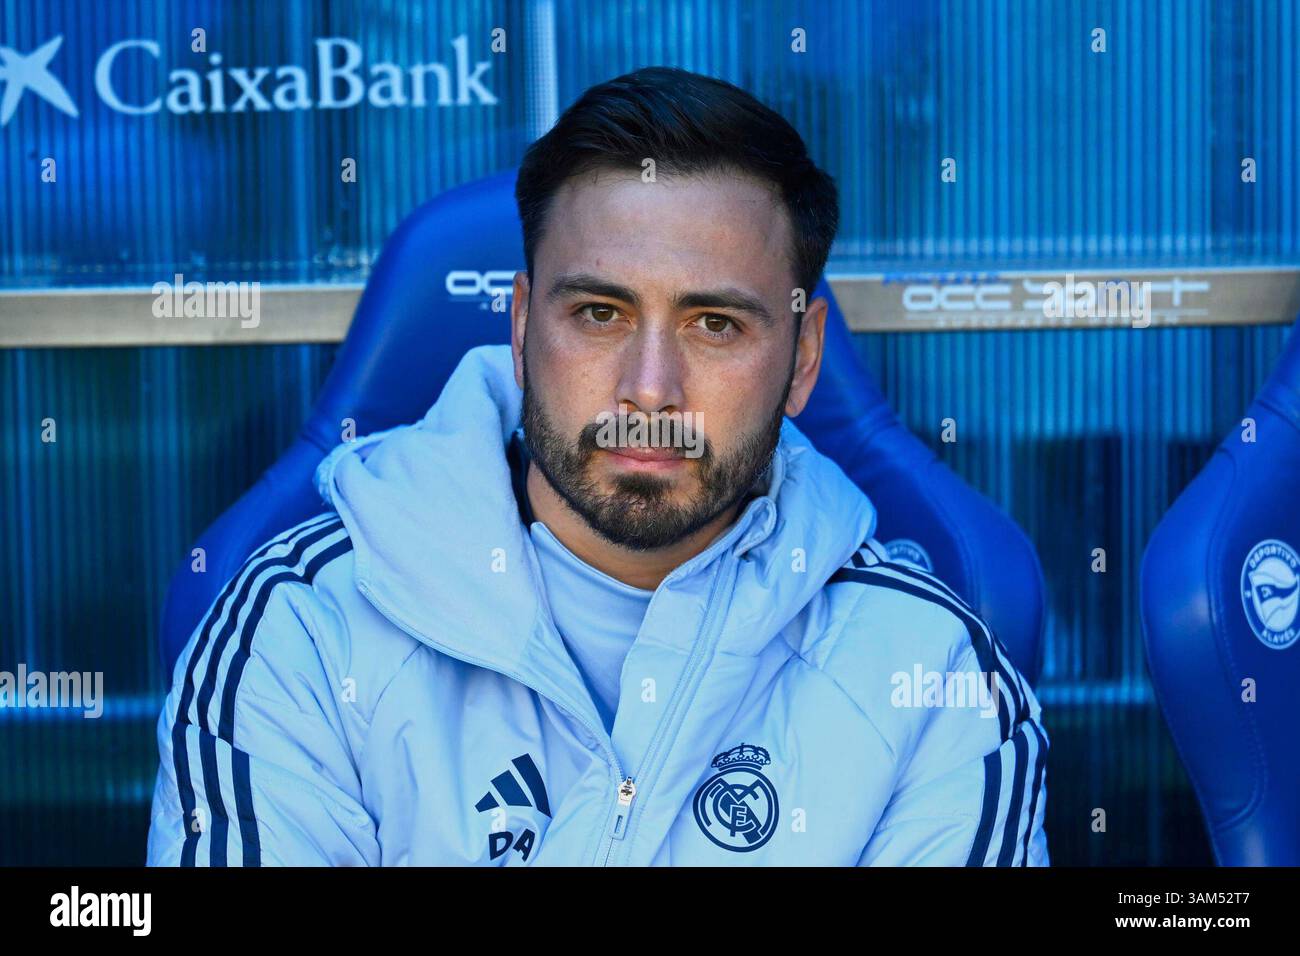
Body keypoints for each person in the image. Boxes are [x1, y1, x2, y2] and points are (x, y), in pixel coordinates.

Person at [146, 66, 1048, 866]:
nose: (649, 392)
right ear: (522, 324)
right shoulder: (301, 633)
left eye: (715, 325)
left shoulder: (931, 673)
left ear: (804, 358)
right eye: (601, 315)